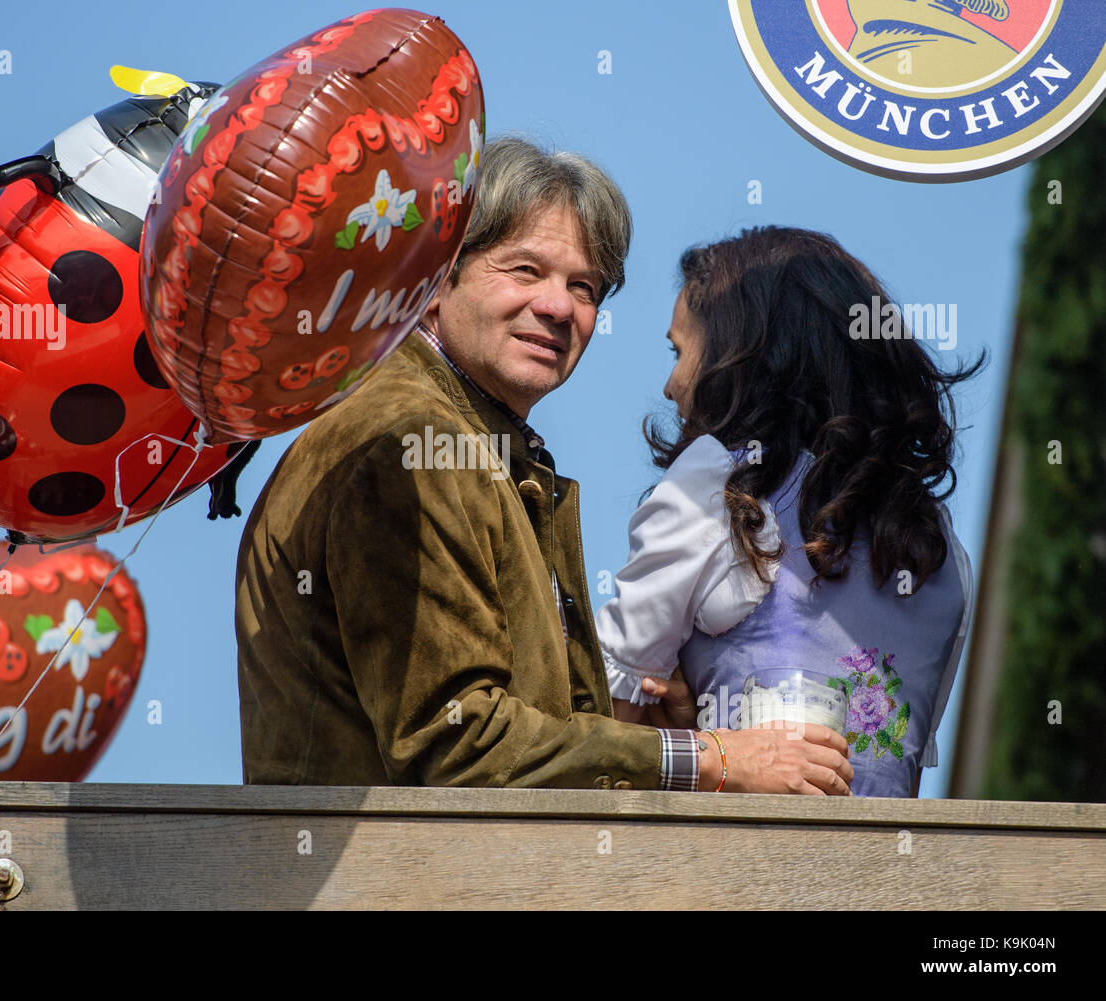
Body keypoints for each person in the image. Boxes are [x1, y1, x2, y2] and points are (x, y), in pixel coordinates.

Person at [234, 139, 853, 794]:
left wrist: (661, 740)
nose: (559, 307)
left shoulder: (472, 439)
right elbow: (460, 745)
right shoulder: (409, 440)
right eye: (525, 270)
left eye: (583, 287)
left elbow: (522, 749)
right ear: (437, 279)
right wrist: (706, 758)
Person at [600, 226, 978, 797]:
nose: (672, 384)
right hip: (890, 856)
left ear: (739, 354)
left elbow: (608, 727)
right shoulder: (939, 545)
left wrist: (697, 745)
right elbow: (902, 775)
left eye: (679, 352)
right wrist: (696, 722)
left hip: (745, 853)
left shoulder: (718, 483)